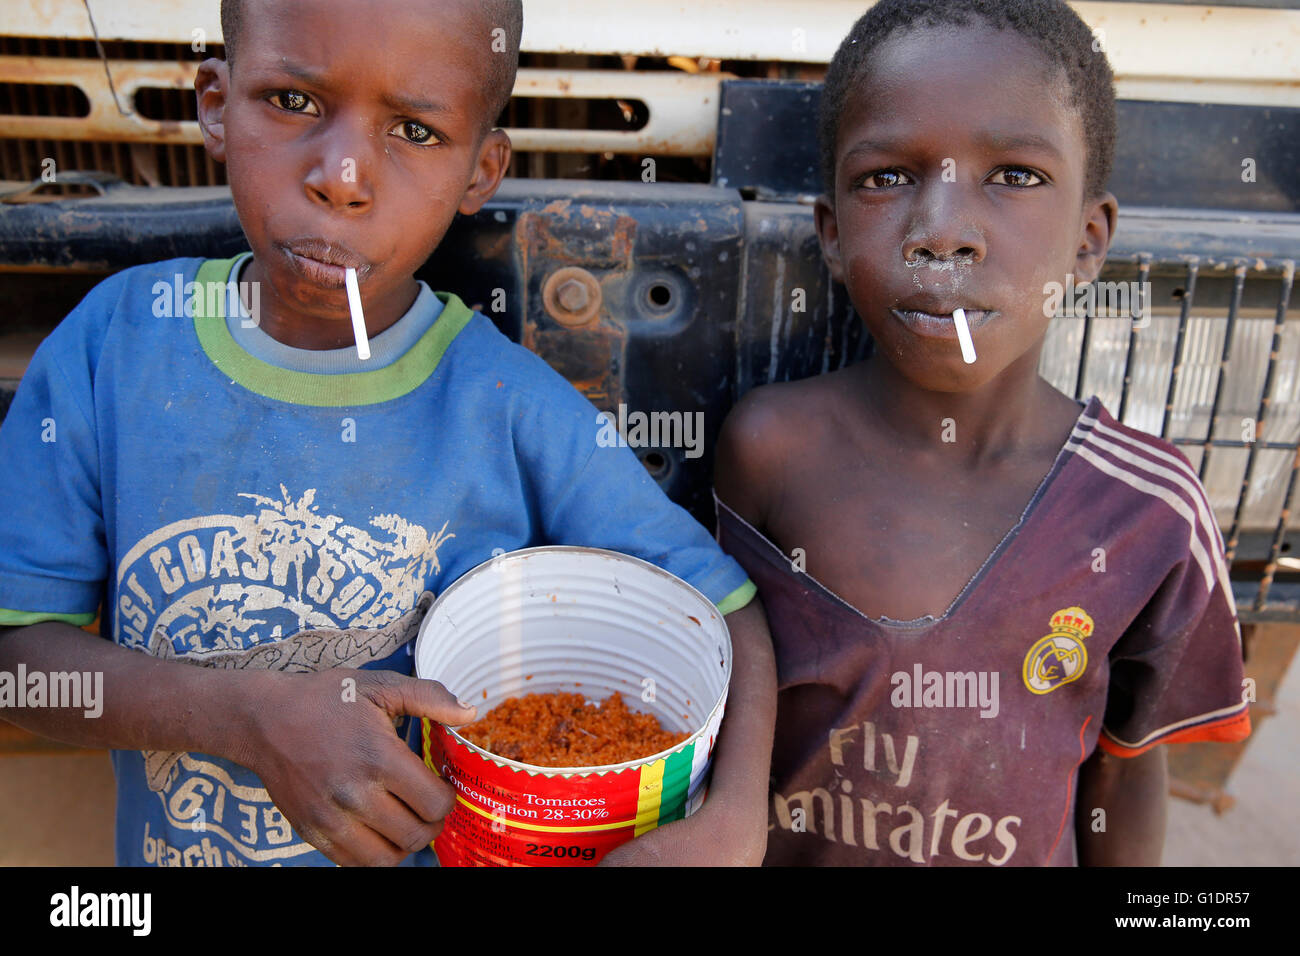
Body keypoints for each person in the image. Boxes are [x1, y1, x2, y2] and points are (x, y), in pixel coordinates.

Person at [0, 0, 775, 868]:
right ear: (215, 105)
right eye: (293, 103)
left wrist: (736, 820)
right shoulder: (115, 347)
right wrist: (247, 718)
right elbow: (18, 657)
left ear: (481, 170)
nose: (342, 175)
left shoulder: (511, 407)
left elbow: (726, 610)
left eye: (413, 128)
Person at [714, 0, 1250, 866]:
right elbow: (716, 698)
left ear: (1088, 241)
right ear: (834, 236)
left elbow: (1126, 771)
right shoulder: (769, 450)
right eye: (887, 177)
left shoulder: (1150, 509)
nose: (943, 234)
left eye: (1016, 176)